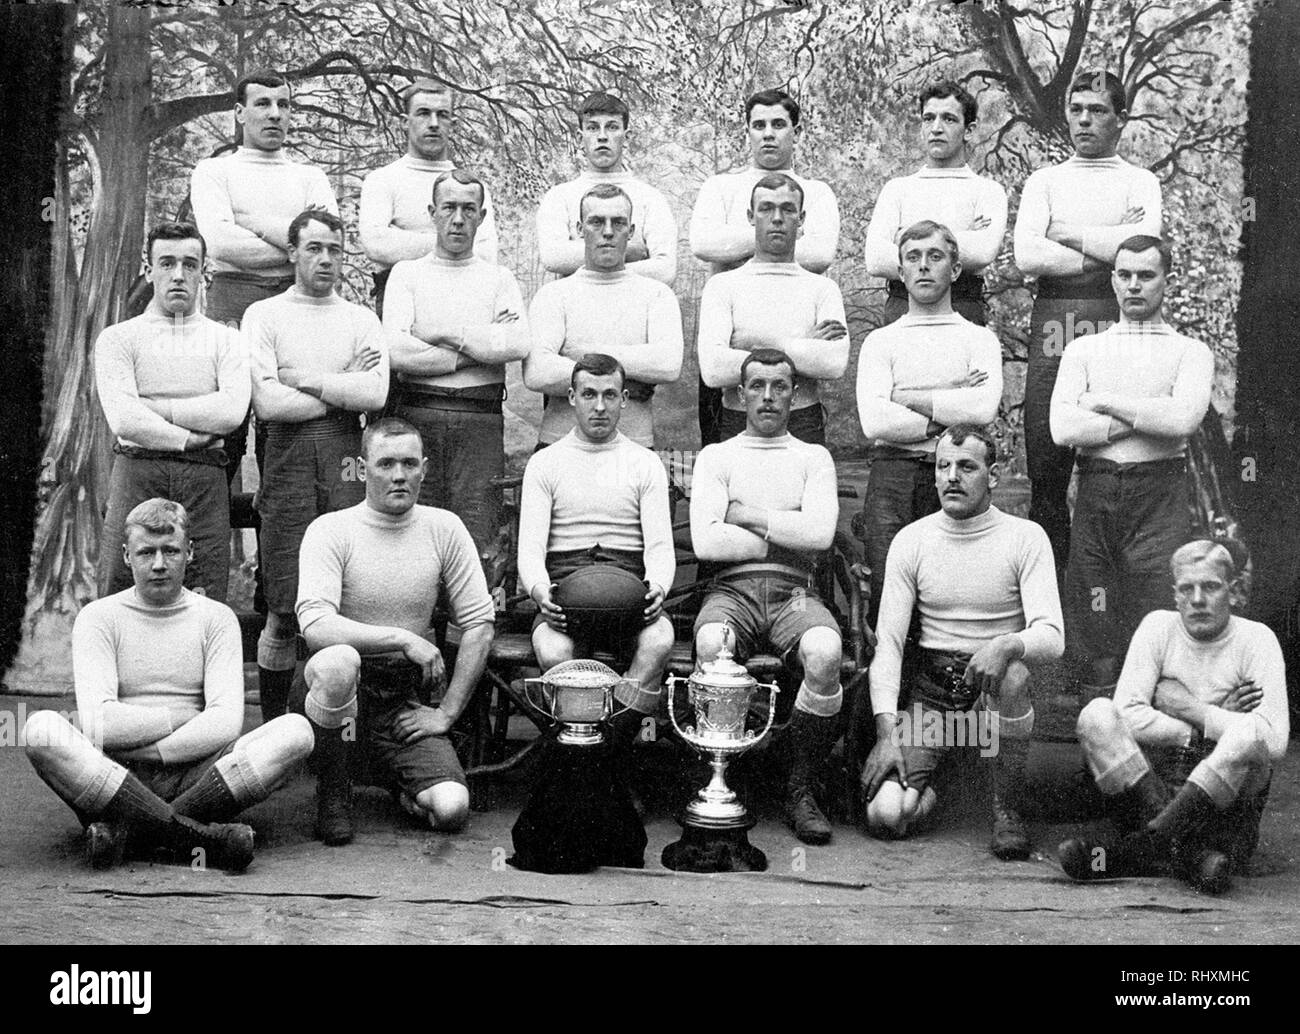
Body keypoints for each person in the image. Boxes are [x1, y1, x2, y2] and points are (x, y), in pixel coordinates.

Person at [24, 499, 314, 872]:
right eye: (146, 552)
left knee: (297, 732)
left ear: (189, 552)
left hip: (200, 771)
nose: (159, 564)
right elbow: (99, 723)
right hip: (117, 772)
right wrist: (178, 716)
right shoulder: (99, 618)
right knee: (40, 730)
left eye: (170, 551)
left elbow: (225, 723)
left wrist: (150, 748)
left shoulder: (215, 618)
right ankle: (201, 840)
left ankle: (130, 833)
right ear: (127, 555)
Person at [860, 426, 1063, 859]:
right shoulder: (912, 540)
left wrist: (1006, 645)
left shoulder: (1025, 537)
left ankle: (1007, 806)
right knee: (887, 816)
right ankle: (949, 782)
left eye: (967, 466)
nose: (952, 477)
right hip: (936, 693)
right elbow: (890, 644)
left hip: (994, 693)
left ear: (993, 475)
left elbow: (1052, 636)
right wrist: (886, 733)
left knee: (1011, 676)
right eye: (943, 466)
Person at [292, 418, 496, 845]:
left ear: (424, 468)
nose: (399, 475)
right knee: (338, 660)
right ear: (363, 469)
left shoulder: (444, 528)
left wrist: (446, 713)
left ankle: (391, 776)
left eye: (408, 463)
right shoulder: (331, 530)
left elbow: (480, 624)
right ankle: (334, 789)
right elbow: (315, 626)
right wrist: (403, 638)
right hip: (337, 692)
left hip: (401, 700)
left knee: (452, 808)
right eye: (386, 464)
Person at [1060, 541, 1288, 894]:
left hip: (1226, 817)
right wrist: (1203, 730)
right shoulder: (1158, 628)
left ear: (1234, 591)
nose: (1198, 599)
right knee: (1097, 715)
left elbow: (1273, 740)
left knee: (1248, 734)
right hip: (1154, 789)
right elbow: (1126, 715)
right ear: (1176, 596)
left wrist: (1189, 708)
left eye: (1210, 586)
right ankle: (1190, 855)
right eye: (1187, 589)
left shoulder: (1257, 639)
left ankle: (1137, 849)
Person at [690, 348, 842, 845]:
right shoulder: (718, 456)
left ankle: (799, 787)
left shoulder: (812, 457)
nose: (769, 396)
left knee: (824, 652)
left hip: (793, 591)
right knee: (713, 642)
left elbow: (820, 535)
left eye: (780, 386)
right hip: (730, 587)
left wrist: (745, 513)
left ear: (795, 395)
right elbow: (707, 542)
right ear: (739, 393)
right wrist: (781, 529)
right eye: (758, 386)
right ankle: (722, 779)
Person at [1050, 234, 1212, 699]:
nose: (1134, 285)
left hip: (1160, 493)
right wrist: (1148, 415)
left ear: (1167, 279)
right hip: (1097, 490)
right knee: (1094, 620)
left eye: (1146, 275)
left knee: (1157, 615)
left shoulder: (1188, 351)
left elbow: (1182, 421)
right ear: (1113, 278)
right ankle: (1097, 755)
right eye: (1124, 275)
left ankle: (1153, 754)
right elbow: (1063, 429)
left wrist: (1103, 403)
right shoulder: (1084, 350)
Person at [1013, 70, 1162, 570]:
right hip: (1055, 317)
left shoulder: (1140, 181)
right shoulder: (1046, 180)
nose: (1084, 119)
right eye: (1076, 108)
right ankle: (1048, 598)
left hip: (1116, 317)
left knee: (1115, 458)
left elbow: (1141, 250)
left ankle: (1108, 606)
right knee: (1048, 465)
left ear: (1120, 119)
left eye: (1097, 110)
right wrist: (1107, 246)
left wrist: (1066, 232)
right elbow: (1028, 256)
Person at [246, 208, 390, 727]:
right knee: (284, 606)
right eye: (314, 248)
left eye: (334, 248)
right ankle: (271, 731)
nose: (325, 258)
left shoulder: (360, 319)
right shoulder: (264, 315)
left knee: (345, 601)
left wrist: (302, 377)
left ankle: (345, 736)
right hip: (285, 455)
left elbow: (375, 392)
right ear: (292, 252)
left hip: (346, 455)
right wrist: (339, 387)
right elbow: (268, 405)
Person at [519, 354, 676, 774]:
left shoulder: (644, 462)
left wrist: (658, 585)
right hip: (564, 589)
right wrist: (539, 591)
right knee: (553, 650)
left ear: (625, 399)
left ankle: (610, 762)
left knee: (659, 641)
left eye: (610, 395)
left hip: (628, 589)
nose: (600, 406)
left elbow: (660, 545)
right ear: (571, 397)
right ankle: (582, 765)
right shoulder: (545, 462)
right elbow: (530, 551)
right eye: (589, 394)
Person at [190, 68, 339, 485]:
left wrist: (252, 222)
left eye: (284, 104)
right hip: (232, 302)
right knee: (225, 429)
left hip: (296, 309)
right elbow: (219, 243)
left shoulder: (310, 177)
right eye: (263, 104)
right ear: (240, 112)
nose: (275, 114)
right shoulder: (214, 171)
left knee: (287, 429)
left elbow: (326, 240)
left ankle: (279, 542)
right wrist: (297, 245)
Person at [856, 220, 1003, 627]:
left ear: (955, 270)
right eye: (913, 258)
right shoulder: (881, 342)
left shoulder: (979, 339)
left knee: (957, 596)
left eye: (935, 257)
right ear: (900, 272)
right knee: (890, 601)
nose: (923, 266)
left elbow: (983, 408)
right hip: (893, 479)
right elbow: (875, 420)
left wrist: (907, 398)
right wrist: (951, 405)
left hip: (958, 478)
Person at [95, 222, 249, 603]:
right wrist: (187, 437)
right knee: (121, 591)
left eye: (189, 264)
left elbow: (230, 412)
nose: (178, 274)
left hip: (204, 477)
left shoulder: (226, 339)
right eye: (166, 263)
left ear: (203, 272)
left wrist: (154, 407)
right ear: (149, 270)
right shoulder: (118, 338)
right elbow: (124, 419)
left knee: (205, 594)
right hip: (137, 470)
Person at [384, 170, 530, 558]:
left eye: (469, 209)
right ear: (432, 212)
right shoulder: (407, 274)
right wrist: (473, 352)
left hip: (479, 421)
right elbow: (397, 352)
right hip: (419, 416)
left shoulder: (498, 278)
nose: (459, 218)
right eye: (449, 207)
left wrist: (439, 332)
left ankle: (470, 620)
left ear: (482, 217)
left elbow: (516, 342)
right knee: (413, 533)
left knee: (477, 537)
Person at [690, 88, 841, 445]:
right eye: (759, 125)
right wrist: (770, 238)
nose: (768, 133)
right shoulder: (721, 187)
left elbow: (819, 253)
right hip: (729, 342)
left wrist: (738, 241)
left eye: (778, 124)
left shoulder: (816, 192)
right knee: (722, 456)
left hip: (794, 362)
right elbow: (703, 244)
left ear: (796, 131)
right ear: (748, 132)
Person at [524, 184, 683, 449]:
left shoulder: (657, 295)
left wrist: (584, 354)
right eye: (596, 222)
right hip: (559, 445)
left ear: (631, 232)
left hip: (634, 447)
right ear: (579, 230)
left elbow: (668, 364)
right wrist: (626, 378)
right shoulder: (553, 295)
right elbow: (537, 373)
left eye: (618, 223)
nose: (607, 232)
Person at [863, 80, 1007, 327]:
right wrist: (960, 238)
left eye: (949, 119)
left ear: (969, 130)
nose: (936, 128)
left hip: (962, 306)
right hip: (902, 306)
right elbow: (875, 259)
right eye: (929, 118)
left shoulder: (988, 190)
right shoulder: (897, 189)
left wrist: (904, 239)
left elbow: (982, 252)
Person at [360, 80, 499, 312]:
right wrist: (456, 244)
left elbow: (486, 254)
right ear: (406, 122)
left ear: (452, 125)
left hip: (464, 297)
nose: (434, 123)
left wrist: (403, 240)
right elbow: (376, 245)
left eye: (442, 115)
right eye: (424, 113)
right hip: (400, 301)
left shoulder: (473, 186)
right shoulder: (383, 179)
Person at [536, 90, 677, 285]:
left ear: (626, 137)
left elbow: (665, 270)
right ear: (580, 137)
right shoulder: (560, 196)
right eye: (593, 128)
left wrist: (594, 257)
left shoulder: (650, 197)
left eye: (612, 127)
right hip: (579, 304)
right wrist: (628, 250)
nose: (602, 136)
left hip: (633, 304)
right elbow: (553, 257)